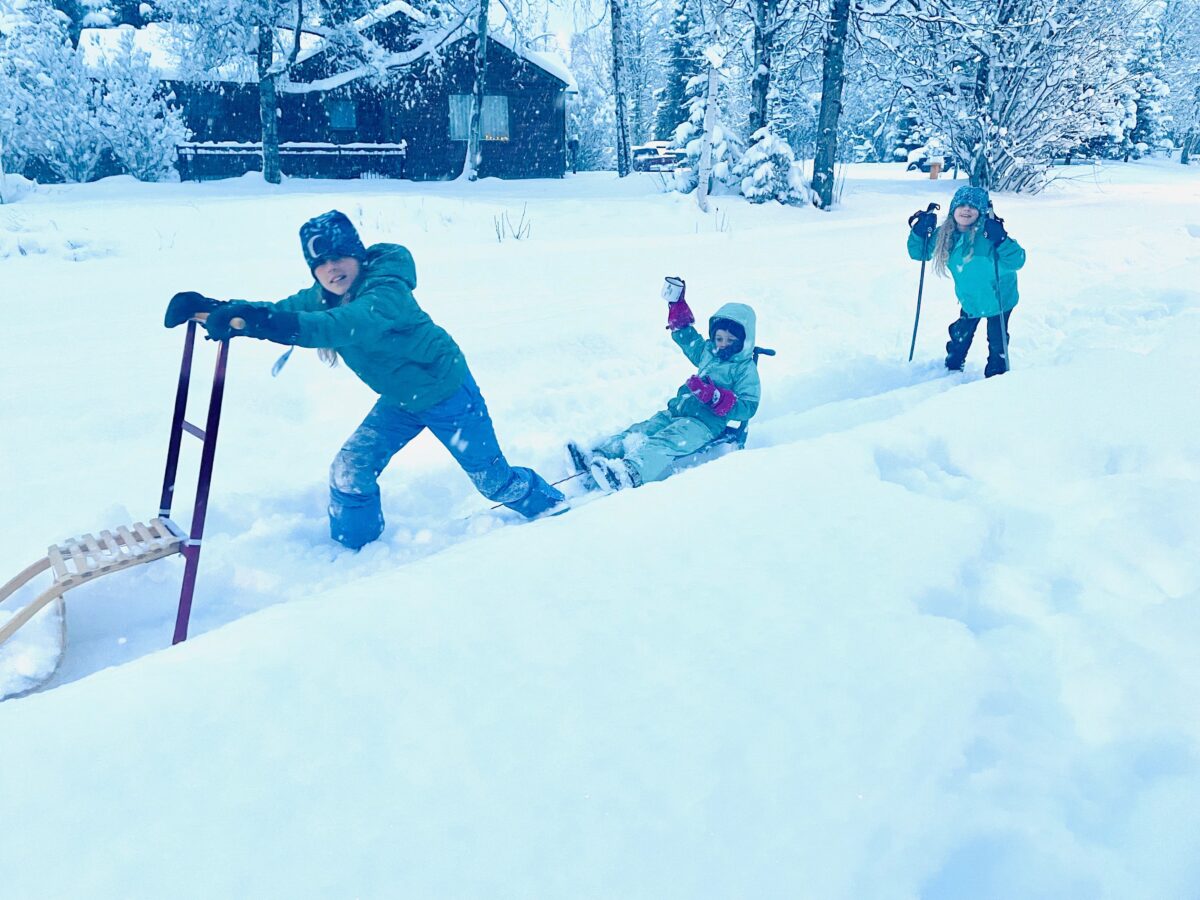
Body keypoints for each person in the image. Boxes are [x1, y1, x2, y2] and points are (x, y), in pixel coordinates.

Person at [164, 210, 565, 550]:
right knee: (349, 470)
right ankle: (358, 555)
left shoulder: (385, 291)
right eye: (320, 264)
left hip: (446, 392)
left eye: (340, 257)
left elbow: (344, 325)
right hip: (400, 398)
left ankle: (554, 508)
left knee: (494, 481)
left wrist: (265, 323)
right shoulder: (325, 296)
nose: (331, 268)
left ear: (358, 255)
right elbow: (277, 311)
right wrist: (216, 308)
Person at [568, 278, 761, 492]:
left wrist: (715, 397)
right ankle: (597, 456)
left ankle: (628, 474)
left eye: (730, 341)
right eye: (719, 338)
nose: (722, 344)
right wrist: (676, 305)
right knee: (641, 431)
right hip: (678, 410)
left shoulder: (745, 369)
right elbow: (689, 340)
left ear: (743, 342)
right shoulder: (709, 352)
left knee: (663, 442)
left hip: (705, 424)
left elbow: (748, 407)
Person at [908, 185, 1026, 377]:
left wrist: (1002, 239)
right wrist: (919, 232)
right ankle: (952, 365)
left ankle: (997, 377)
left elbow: (1017, 260)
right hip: (970, 297)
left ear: (981, 211)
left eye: (973, 206)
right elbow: (919, 253)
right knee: (961, 335)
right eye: (961, 204)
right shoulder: (944, 235)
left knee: (997, 339)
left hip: (999, 296)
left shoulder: (989, 234)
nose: (966, 209)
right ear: (953, 208)